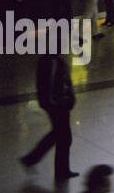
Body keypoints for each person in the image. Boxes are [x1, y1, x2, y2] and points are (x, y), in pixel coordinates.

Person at [21, 53, 79, 183]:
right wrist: (55, 102)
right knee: (64, 137)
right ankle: (60, 170)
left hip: (58, 103)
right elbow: (51, 83)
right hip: (58, 105)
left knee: (59, 135)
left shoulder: (51, 59)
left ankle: (32, 159)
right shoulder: (52, 61)